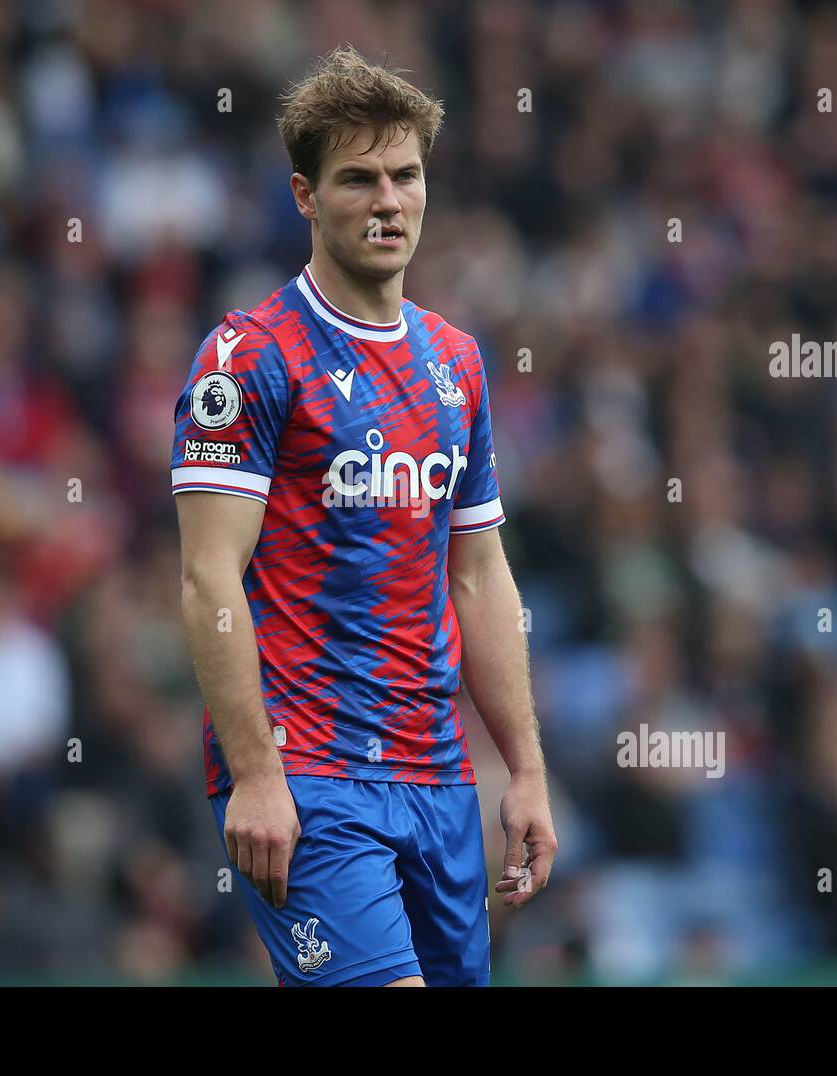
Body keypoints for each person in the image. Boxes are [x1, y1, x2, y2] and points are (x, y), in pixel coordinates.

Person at [171, 44, 556, 987]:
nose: (388, 200)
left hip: (437, 778)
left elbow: (479, 574)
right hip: (310, 772)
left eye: (406, 175)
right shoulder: (249, 357)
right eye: (357, 178)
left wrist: (527, 768)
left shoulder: (456, 363)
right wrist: (258, 772)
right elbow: (207, 576)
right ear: (304, 196)